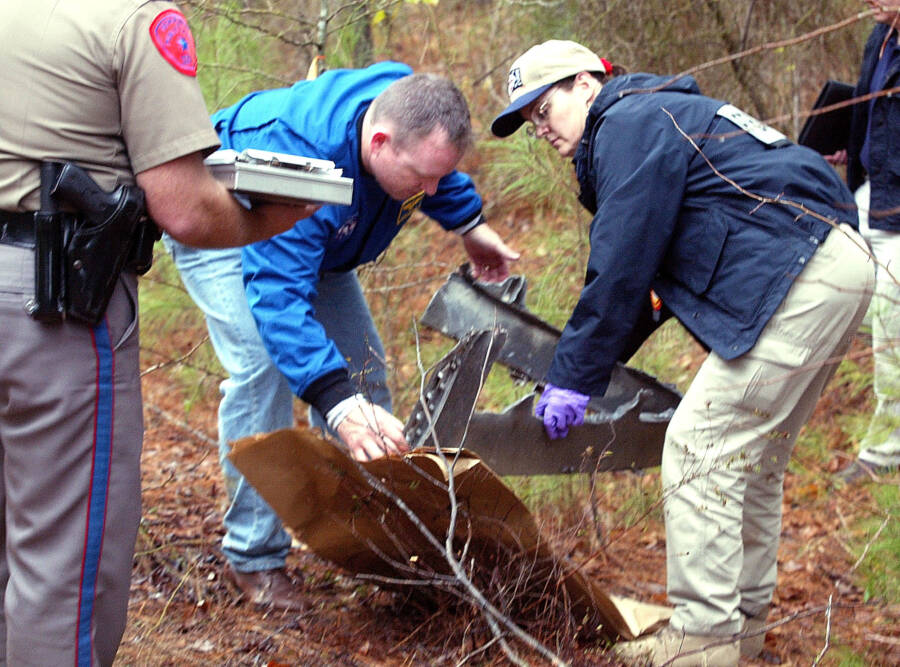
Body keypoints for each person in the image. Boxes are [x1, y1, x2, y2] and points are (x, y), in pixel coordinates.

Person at [491, 40, 874, 666]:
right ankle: (740, 628)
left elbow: (618, 265)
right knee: (753, 459)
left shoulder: (627, 123)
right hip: (835, 262)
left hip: (803, 272)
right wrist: (585, 371)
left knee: (702, 445)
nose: (541, 128)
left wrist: (572, 376)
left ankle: (703, 640)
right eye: (529, 121)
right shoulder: (657, 115)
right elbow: (645, 290)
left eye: (545, 107)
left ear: (587, 84)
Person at [0, 3, 317, 665]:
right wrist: (273, 220)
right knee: (64, 565)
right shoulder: (135, 21)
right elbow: (184, 206)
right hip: (51, 302)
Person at [163, 62, 519, 611]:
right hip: (224, 219)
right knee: (264, 368)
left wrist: (471, 226)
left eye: (437, 178)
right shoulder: (304, 156)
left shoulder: (408, 106)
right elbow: (278, 298)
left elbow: (435, 174)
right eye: (420, 178)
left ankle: (370, 542)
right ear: (378, 142)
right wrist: (337, 404)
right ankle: (254, 557)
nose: (429, 191)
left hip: (317, 241)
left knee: (363, 373)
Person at [829, 1, 900, 481]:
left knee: (892, 333)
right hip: (868, 199)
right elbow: (868, 114)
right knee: (859, 315)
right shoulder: (881, 38)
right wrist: (848, 150)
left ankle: (885, 451)